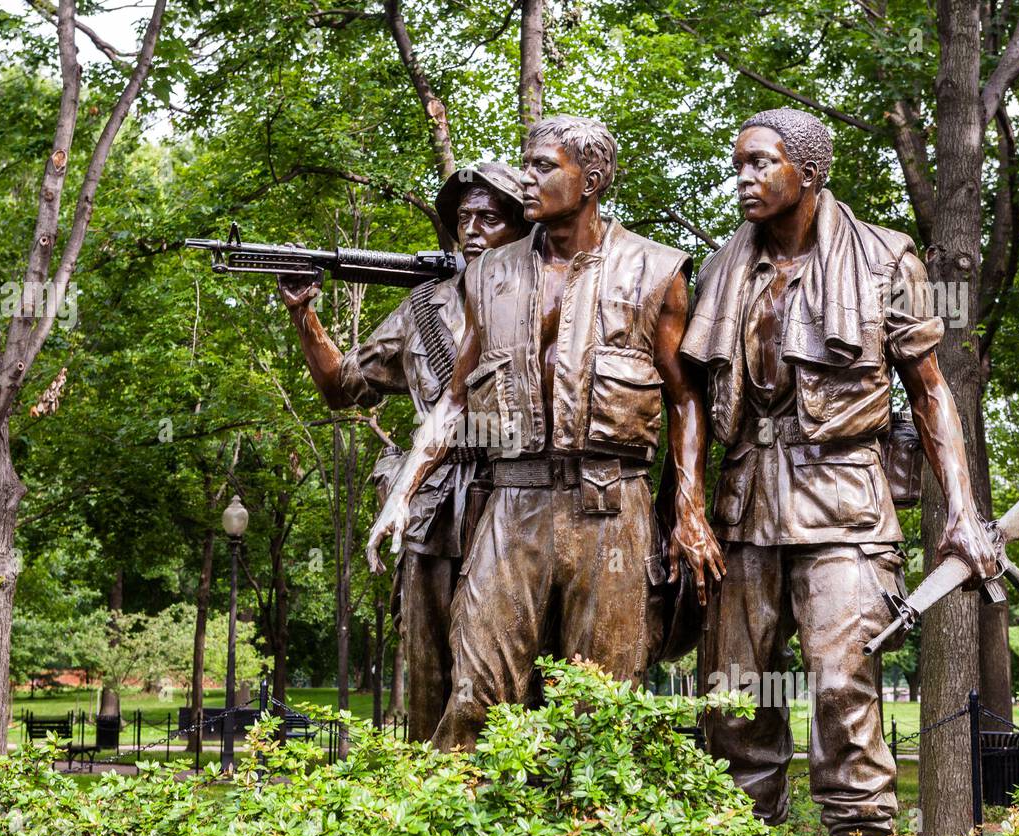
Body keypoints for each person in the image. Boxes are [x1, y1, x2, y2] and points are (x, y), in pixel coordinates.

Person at [680, 108, 997, 836]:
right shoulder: (725, 266)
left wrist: (963, 509)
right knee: (732, 698)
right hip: (745, 501)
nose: (744, 179)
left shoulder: (888, 259)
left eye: (760, 163)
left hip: (845, 506)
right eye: (738, 166)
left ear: (810, 173)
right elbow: (689, 396)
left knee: (841, 690)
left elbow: (929, 392)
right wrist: (685, 509)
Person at [366, 115, 723, 752]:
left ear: (590, 181)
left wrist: (689, 509)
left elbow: (685, 399)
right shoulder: (488, 274)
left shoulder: (656, 270)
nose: (527, 180)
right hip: (511, 502)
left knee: (603, 702)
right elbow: (453, 404)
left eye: (542, 168)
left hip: (611, 505)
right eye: (526, 165)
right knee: (477, 691)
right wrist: (401, 496)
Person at [277, 164, 528, 741]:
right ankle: (428, 800)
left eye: (489, 217)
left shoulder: (546, 296)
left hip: (518, 495)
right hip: (436, 506)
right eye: (462, 218)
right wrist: (303, 313)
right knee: (429, 668)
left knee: (511, 662)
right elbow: (342, 387)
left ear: (519, 225)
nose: (472, 230)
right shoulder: (422, 309)